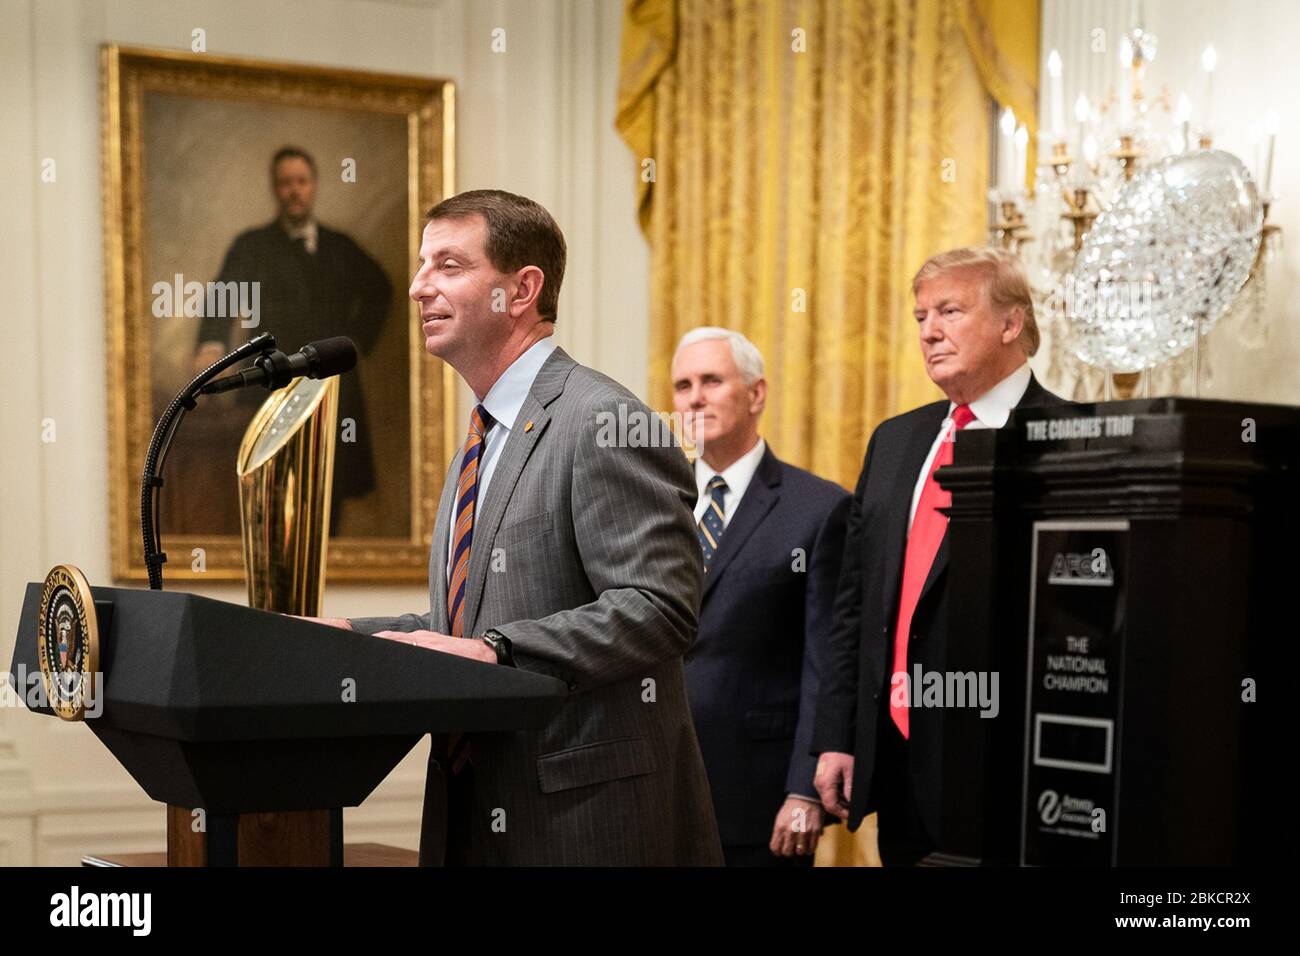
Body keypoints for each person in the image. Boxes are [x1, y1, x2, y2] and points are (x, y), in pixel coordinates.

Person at [315, 189, 722, 866]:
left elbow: (661, 607)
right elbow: (468, 627)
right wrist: (352, 639)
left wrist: (501, 651)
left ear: (522, 288)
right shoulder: (483, 436)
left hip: (582, 816)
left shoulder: (598, 419)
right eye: (421, 266)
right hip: (472, 804)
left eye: (448, 265)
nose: (418, 287)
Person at [811, 247, 1068, 865]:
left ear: (1012, 324)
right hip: (895, 755)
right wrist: (838, 737)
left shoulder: (1065, 439)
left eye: (950, 311)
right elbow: (853, 603)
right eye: (921, 315)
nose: (929, 330)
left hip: (1005, 767)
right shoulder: (896, 439)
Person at [670, 327, 849, 867]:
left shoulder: (818, 508)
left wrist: (804, 790)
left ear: (756, 393)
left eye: (711, 380)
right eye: (682, 385)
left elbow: (829, 661)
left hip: (762, 797)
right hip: (655, 788)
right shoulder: (651, 501)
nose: (695, 396)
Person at [196, 146, 393, 522]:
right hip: (272, 381)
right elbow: (223, 294)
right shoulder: (252, 246)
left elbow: (380, 289)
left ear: (314, 186)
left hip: (333, 389)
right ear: (275, 189)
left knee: (327, 494)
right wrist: (211, 344)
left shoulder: (339, 247)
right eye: (286, 183)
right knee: (270, 495)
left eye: (301, 182)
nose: (294, 191)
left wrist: (354, 343)